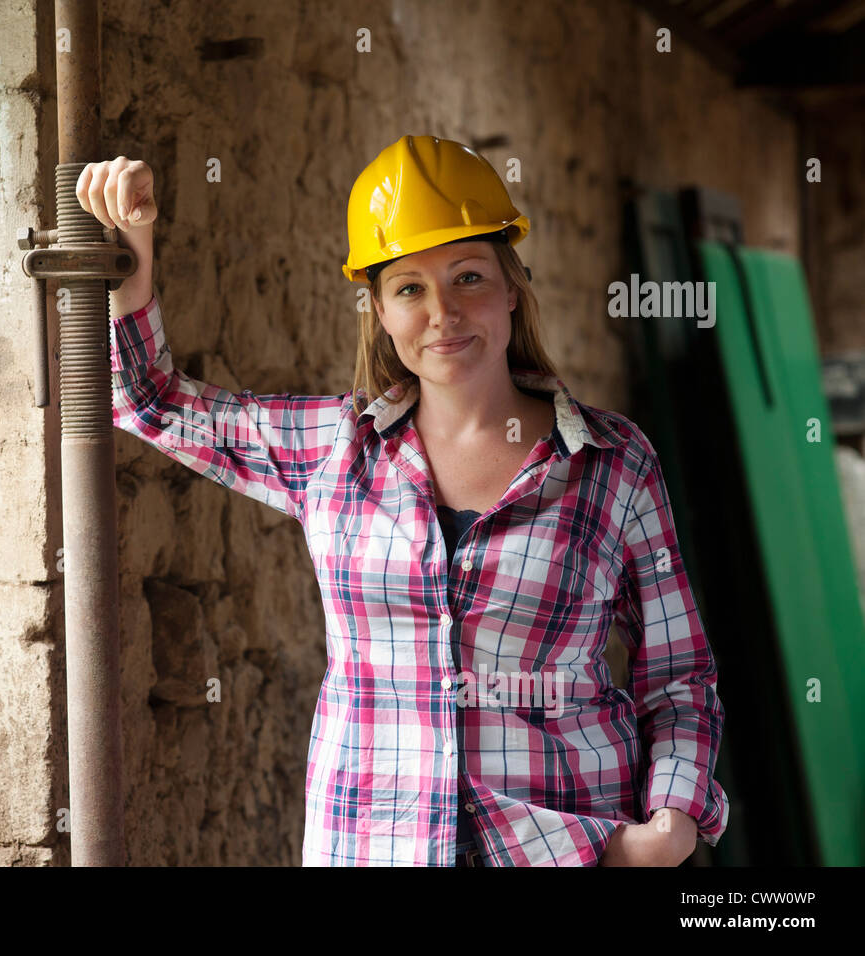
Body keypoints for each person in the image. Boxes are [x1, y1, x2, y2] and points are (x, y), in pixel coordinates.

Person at [79, 134, 729, 866]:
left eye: (470, 278)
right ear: (381, 311)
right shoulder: (334, 448)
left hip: (566, 845)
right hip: (370, 844)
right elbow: (149, 400)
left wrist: (669, 827)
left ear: (512, 288)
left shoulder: (613, 464)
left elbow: (676, 674)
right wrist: (133, 248)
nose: (443, 314)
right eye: (410, 288)